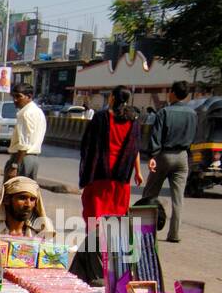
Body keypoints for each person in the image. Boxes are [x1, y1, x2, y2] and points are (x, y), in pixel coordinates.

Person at [139, 79, 196, 243]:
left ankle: (144, 231)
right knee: (178, 199)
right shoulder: (192, 114)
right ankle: (174, 234)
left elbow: (155, 137)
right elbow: (194, 136)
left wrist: (152, 156)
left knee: (150, 193)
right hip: (182, 156)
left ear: (172, 93)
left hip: (164, 155)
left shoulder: (164, 112)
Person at [79, 85, 142, 220]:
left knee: (94, 211)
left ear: (112, 98)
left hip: (100, 172)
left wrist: (86, 168)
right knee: (117, 212)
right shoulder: (133, 120)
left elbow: (87, 144)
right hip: (122, 174)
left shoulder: (100, 117)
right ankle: (113, 239)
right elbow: (134, 149)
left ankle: (94, 240)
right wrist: (138, 171)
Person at [6, 82, 46, 180]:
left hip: (22, 159)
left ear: (29, 96)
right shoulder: (38, 112)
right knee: (27, 193)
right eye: (13, 97)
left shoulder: (25, 113)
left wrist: (15, 166)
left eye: (19, 97)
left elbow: (24, 144)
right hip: (33, 160)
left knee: (13, 193)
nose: (15, 100)